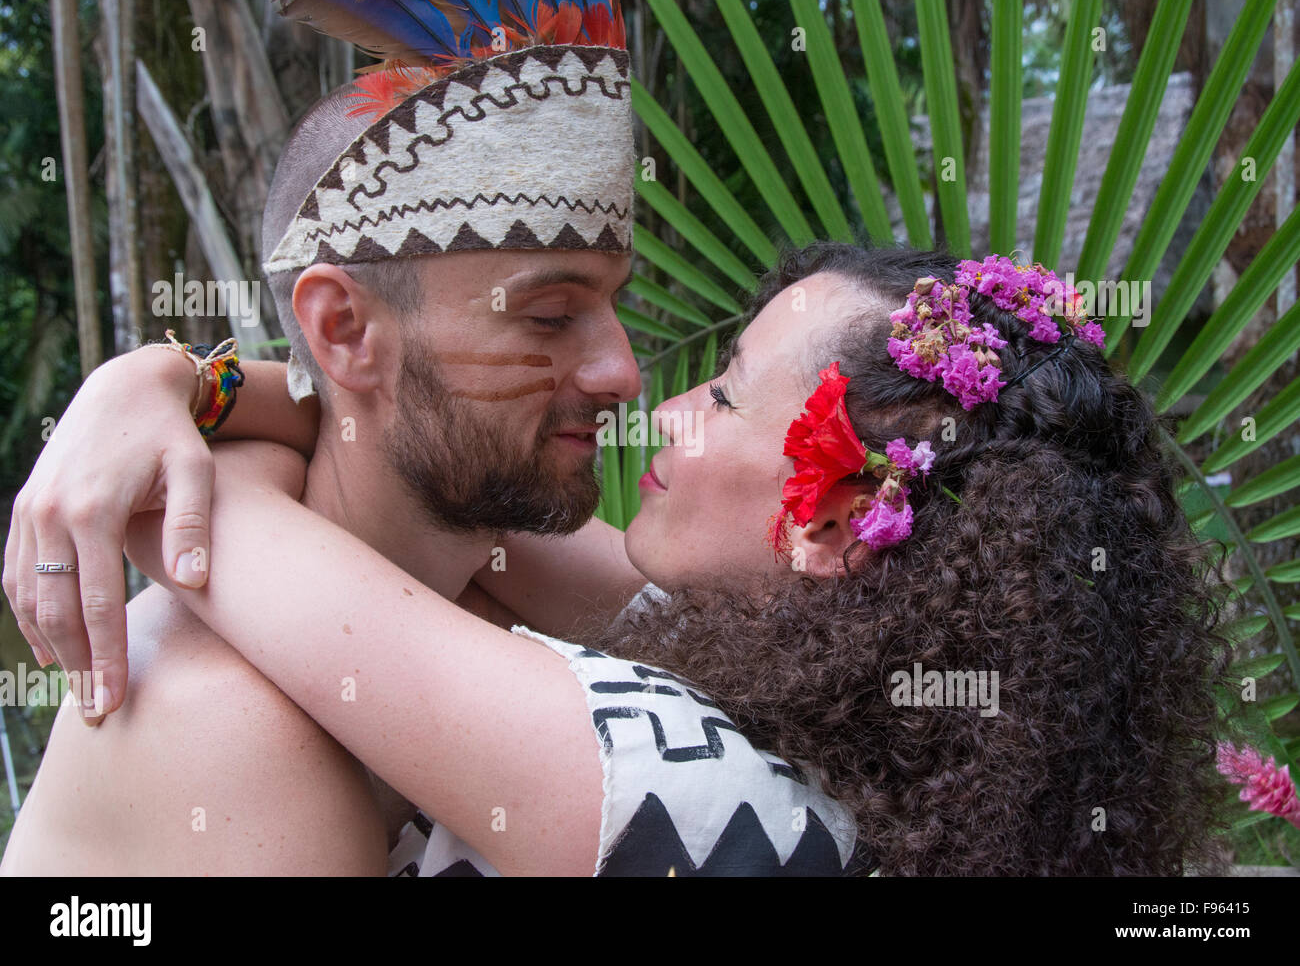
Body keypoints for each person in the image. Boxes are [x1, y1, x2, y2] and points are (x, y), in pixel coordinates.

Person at [7, 240, 1231, 875]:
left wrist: (153, 389)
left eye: (727, 395)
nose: (657, 396)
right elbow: (454, 503)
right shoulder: (853, 741)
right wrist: (181, 384)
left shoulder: (699, 802)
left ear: (836, 514)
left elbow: (212, 525)